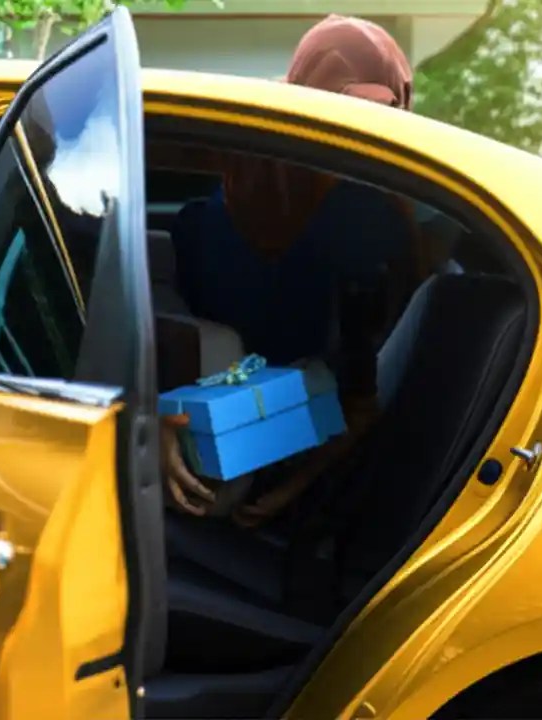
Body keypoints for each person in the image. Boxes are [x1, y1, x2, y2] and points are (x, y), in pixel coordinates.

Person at [160, 15, 426, 526]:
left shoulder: (250, 171)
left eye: (378, 109)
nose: (358, 125)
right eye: (343, 101)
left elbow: (355, 396)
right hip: (222, 439)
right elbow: (356, 398)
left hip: (237, 444)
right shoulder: (374, 214)